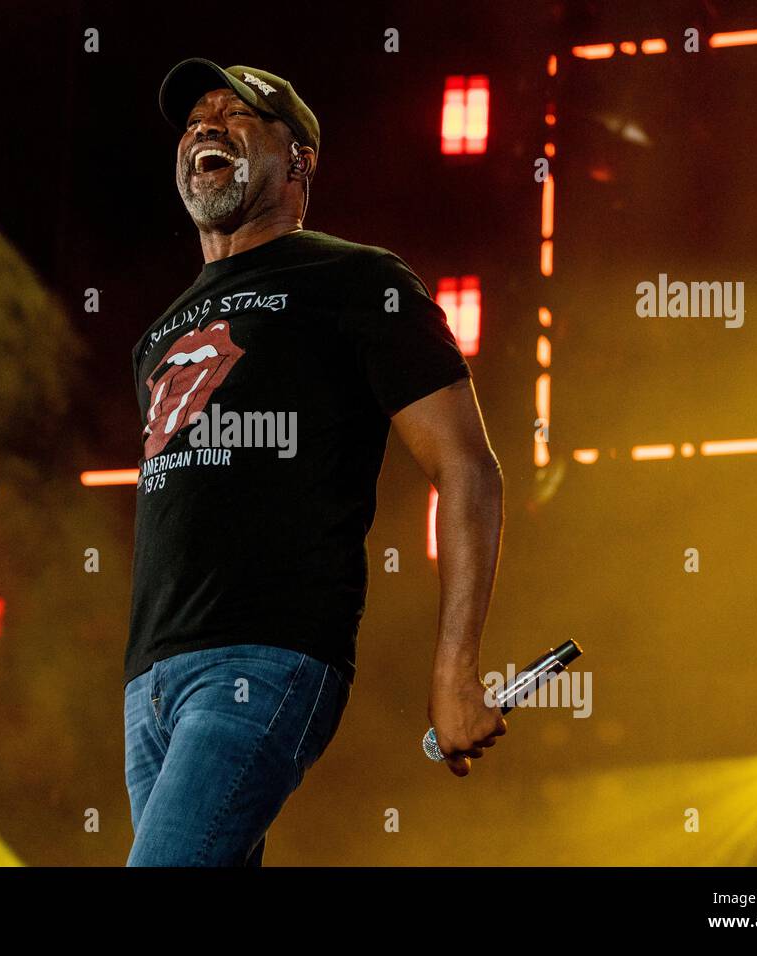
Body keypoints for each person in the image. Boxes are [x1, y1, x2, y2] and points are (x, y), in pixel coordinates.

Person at [123, 58, 506, 866]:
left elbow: (467, 468)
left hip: (266, 658)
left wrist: (456, 669)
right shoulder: (159, 333)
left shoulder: (356, 279)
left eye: (235, 113)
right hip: (150, 686)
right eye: (195, 118)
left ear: (297, 159)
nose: (205, 126)